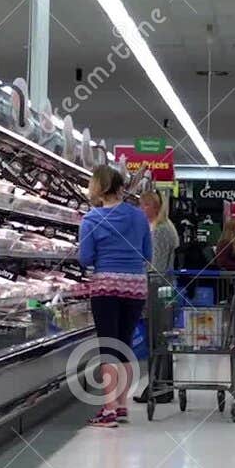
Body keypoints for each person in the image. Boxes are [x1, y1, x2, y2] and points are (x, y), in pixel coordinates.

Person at [77, 165, 151, 428]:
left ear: (97, 187)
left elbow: (85, 258)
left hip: (106, 284)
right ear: (119, 186)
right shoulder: (139, 217)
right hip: (135, 285)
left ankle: (107, 410)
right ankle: (121, 406)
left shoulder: (92, 219)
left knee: (108, 346)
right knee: (125, 344)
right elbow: (147, 254)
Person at [139, 190, 178, 403]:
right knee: (160, 337)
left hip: (159, 288)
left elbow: (158, 266)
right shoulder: (158, 227)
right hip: (162, 288)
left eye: (144, 205)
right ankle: (159, 385)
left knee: (159, 337)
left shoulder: (161, 230)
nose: (141, 209)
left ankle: (159, 387)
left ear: (154, 207)